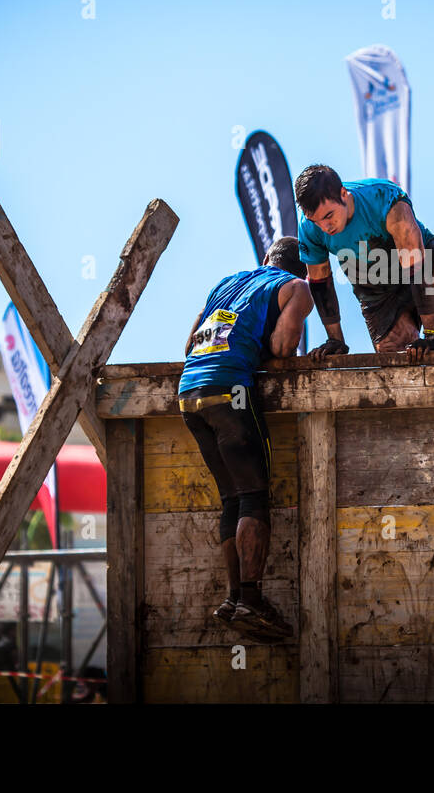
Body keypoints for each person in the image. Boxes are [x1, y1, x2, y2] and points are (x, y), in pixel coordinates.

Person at [177, 237, 314, 642]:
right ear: (303, 268)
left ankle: (234, 596)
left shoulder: (227, 283)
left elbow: (189, 346)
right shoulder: (297, 288)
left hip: (189, 395)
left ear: (266, 260)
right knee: (253, 495)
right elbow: (281, 347)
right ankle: (251, 600)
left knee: (232, 498)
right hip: (229, 391)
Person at [293, 165, 434, 362]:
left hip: (424, 268)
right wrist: (335, 340)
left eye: (329, 216)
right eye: (316, 221)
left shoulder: (385, 199)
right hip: (378, 293)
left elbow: (417, 267)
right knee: (399, 364)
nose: (324, 226)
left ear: (343, 194)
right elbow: (320, 284)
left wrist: (432, 334)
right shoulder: (308, 227)